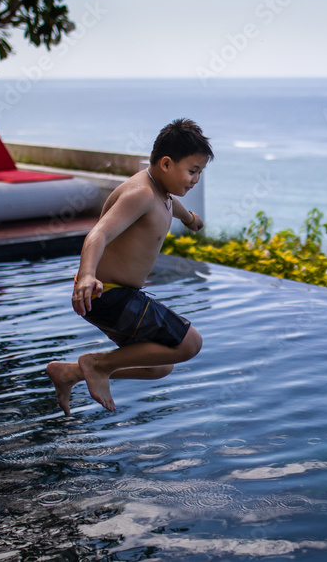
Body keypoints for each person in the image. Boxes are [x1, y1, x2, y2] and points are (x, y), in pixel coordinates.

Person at [47, 118, 213, 414]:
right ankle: (97, 365)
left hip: (115, 298)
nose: (195, 180)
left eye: (199, 173)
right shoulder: (140, 194)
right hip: (108, 293)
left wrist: (191, 220)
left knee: (159, 366)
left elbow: (176, 208)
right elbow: (99, 233)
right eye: (192, 171)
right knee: (191, 343)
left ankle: (69, 373)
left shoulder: (162, 195)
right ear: (165, 164)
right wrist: (86, 274)